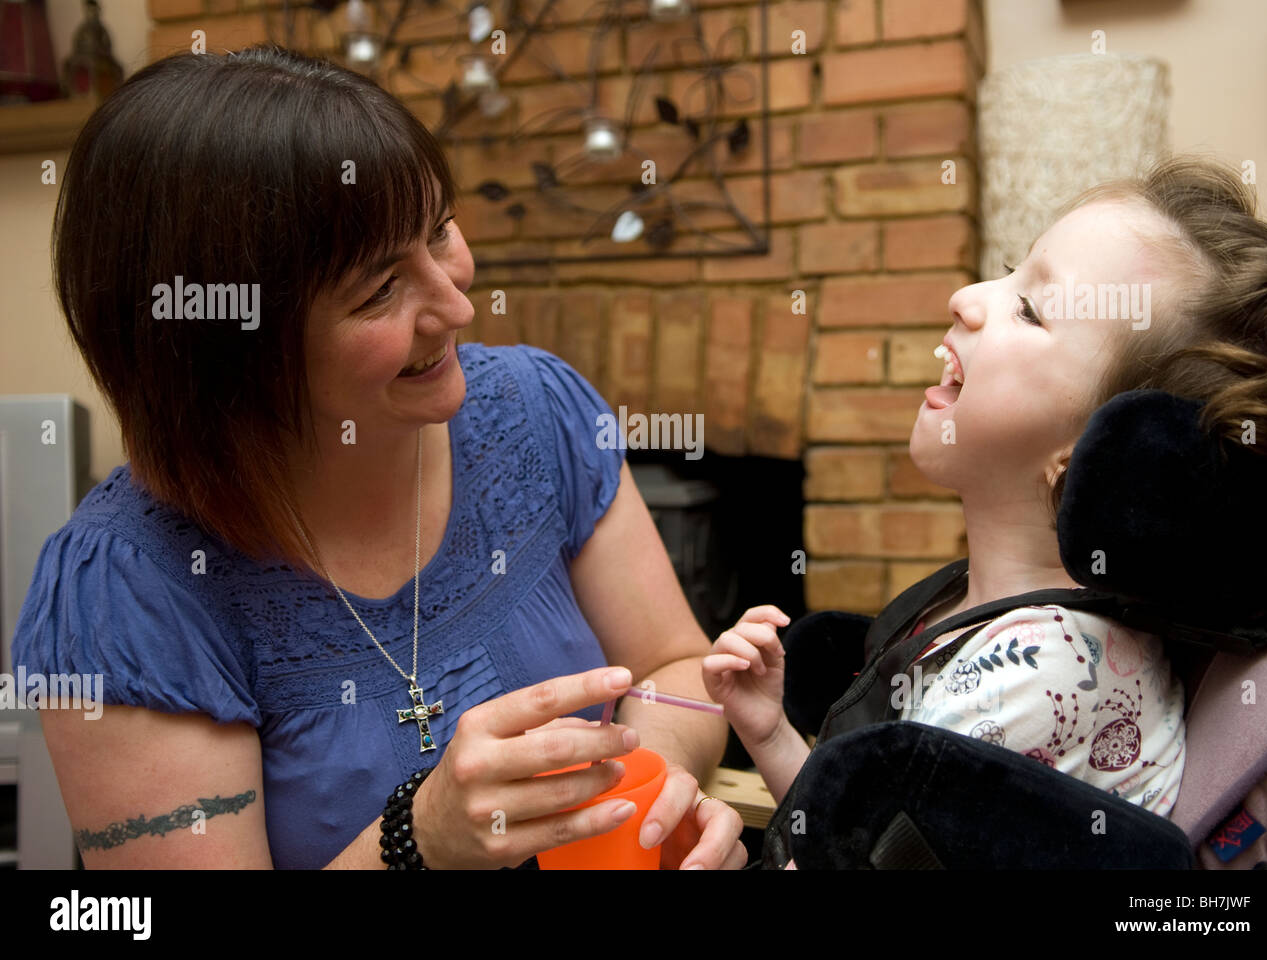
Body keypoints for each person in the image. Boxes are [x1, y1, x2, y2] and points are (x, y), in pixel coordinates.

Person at [11, 44, 746, 870]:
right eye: (379, 290)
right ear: (227, 349)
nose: (458, 301)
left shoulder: (537, 411)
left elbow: (673, 665)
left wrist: (651, 795)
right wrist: (417, 840)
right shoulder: (129, 590)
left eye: (440, 232)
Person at [705, 154, 1267, 866]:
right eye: (1012, 269)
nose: (965, 296)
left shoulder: (1047, 672)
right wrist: (772, 735)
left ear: (1093, 451)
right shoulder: (979, 608)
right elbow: (870, 835)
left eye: (1030, 308)